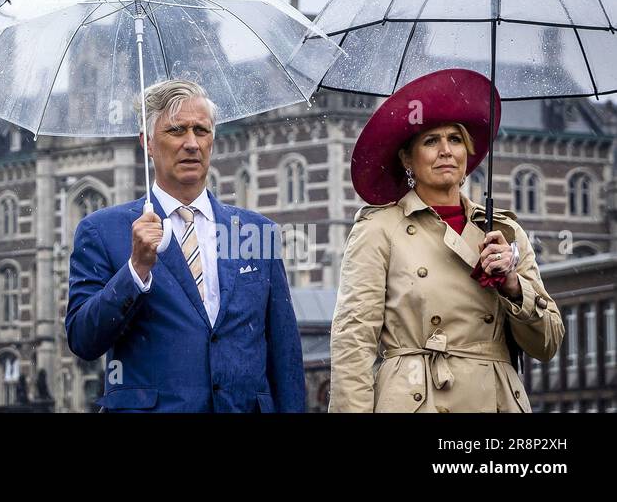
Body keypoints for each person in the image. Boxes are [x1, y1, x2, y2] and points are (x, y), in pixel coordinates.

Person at [329, 68, 563, 412]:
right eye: (430, 141)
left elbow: (548, 344)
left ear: (468, 154)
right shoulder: (378, 228)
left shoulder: (504, 233)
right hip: (416, 398)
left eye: (455, 139)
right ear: (407, 158)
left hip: (496, 399)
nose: (445, 151)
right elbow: (354, 340)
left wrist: (513, 287)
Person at [65, 79, 305, 412]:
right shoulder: (102, 231)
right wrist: (135, 271)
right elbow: (83, 338)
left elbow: (286, 355)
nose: (191, 143)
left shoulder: (256, 231)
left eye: (201, 131)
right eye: (176, 131)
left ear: (213, 140)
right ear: (147, 143)